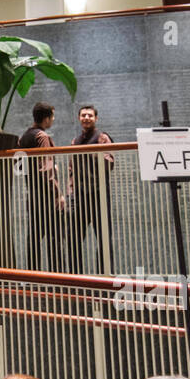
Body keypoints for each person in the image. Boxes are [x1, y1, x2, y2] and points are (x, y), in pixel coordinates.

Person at [67, 104, 114, 273]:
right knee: (73, 239)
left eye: (90, 115)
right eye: (83, 115)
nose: (86, 118)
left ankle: (105, 277)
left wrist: (95, 153)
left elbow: (109, 164)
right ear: (79, 118)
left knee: (103, 239)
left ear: (96, 118)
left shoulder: (102, 138)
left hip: (98, 195)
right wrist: (71, 192)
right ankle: (76, 277)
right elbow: (71, 169)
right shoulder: (75, 141)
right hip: (80, 196)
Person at [18, 102, 65, 271]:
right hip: (47, 197)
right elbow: (46, 169)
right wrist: (58, 194)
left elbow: (19, 167)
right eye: (52, 116)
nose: (53, 119)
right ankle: (57, 276)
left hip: (32, 194)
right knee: (55, 238)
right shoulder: (42, 137)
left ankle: (32, 276)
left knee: (34, 237)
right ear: (46, 119)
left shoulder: (24, 137)